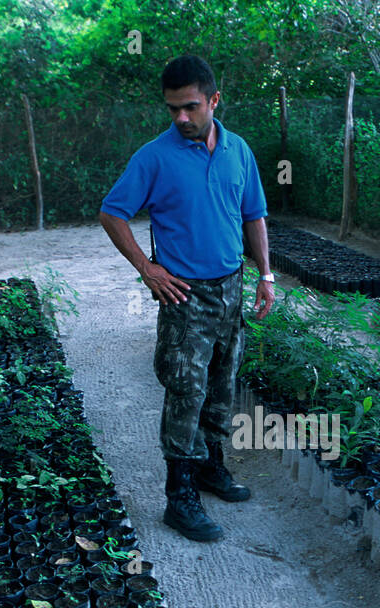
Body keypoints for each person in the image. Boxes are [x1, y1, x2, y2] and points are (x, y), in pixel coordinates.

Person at [98, 54, 274, 543]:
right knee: (185, 390)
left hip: (232, 288)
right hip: (184, 297)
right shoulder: (153, 157)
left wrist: (266, 275)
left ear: (214, 101)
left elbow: (254, 216)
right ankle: (180, 498)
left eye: (190, 107)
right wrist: (147, 268)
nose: (180, 117)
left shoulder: (238, 151)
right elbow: (112, 213)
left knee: (223, 384)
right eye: (173, 108)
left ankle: (211, 468)